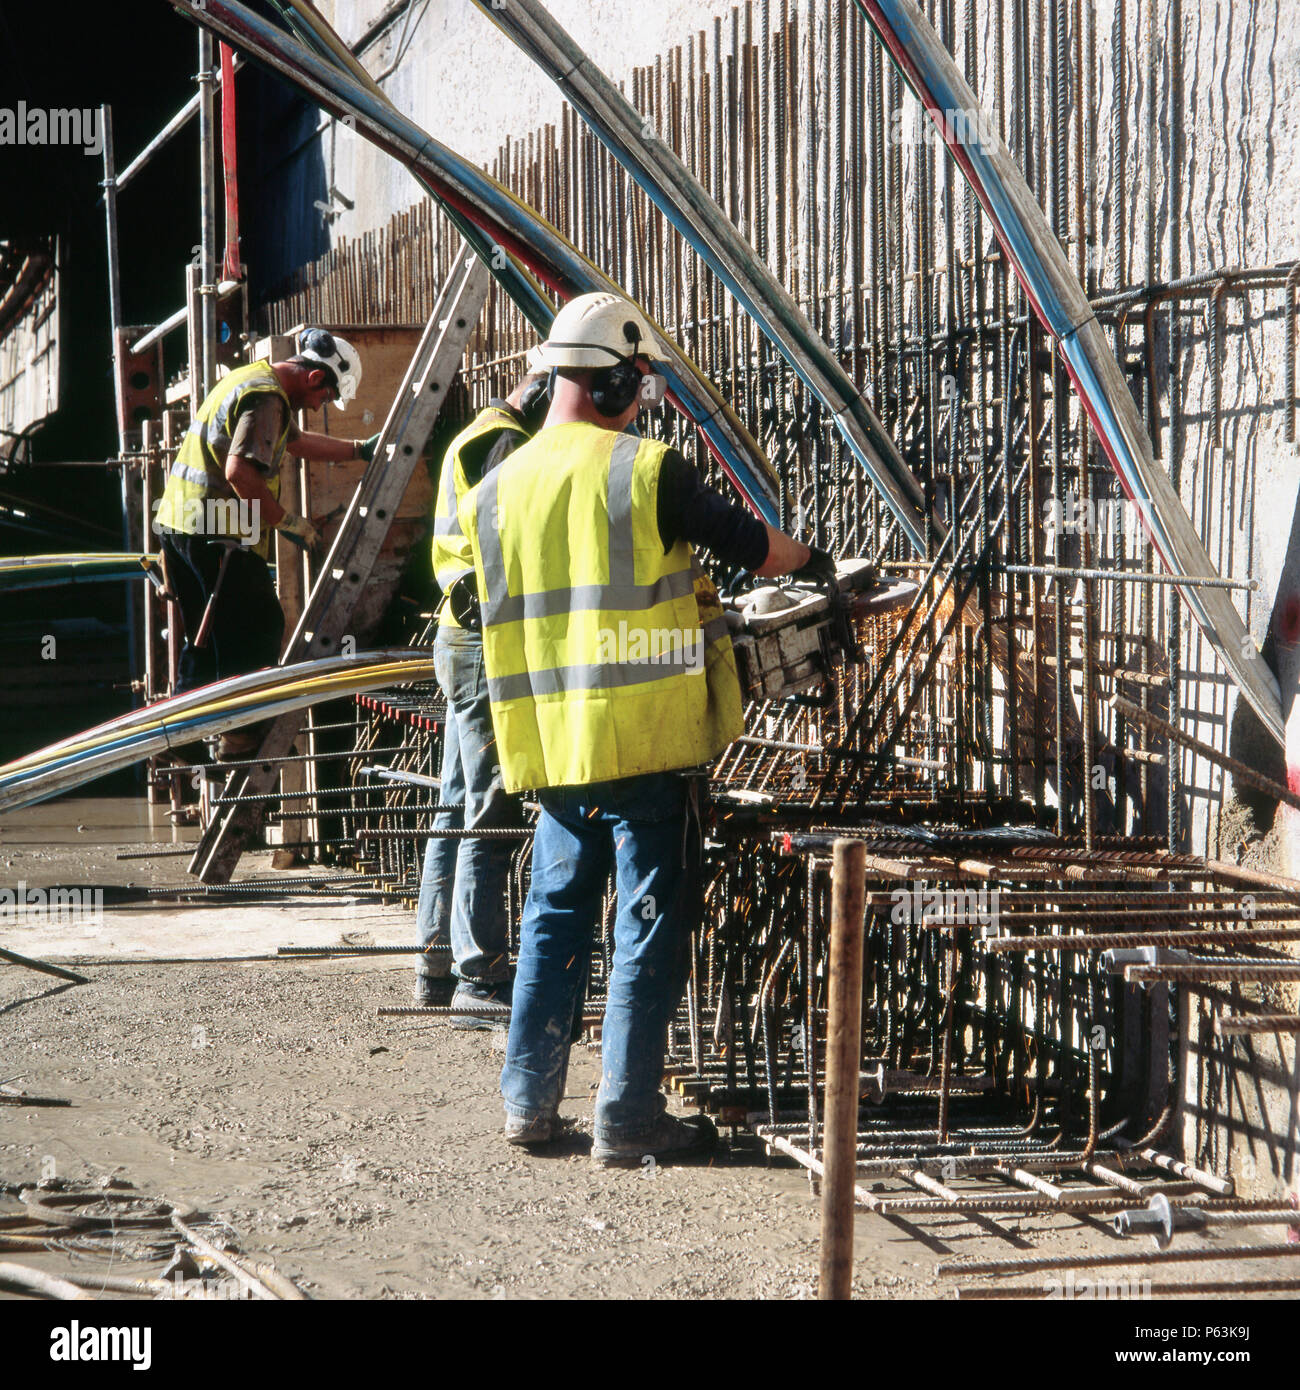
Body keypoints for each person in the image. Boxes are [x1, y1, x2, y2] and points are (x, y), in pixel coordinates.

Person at [460, 293, 832, 1165]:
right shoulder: (644, 469)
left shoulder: (493, 491)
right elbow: (754, 548)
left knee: (553, 919)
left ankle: (529, 1104)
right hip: (643, 743)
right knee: (648, 923)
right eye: (639, 386)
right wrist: (821, 566)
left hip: (550, 750)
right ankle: (627, 1119)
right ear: (617, 378)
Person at [154, 329, 377, 758]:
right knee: (257, 628)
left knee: (207, 635)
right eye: (325, 398)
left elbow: (294, 443)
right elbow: (240, 472)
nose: (319, 406)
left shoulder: (253, 380)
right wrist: (289, 523)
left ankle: (179, 734)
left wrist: (358, 450)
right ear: (314, 379)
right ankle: (240, 738)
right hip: (217, 530)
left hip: (182, 523)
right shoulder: (268, 399)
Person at [413, 359, 551, 1018]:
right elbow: (510, 548)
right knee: (489, 812)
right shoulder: (506, 443)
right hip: (481, 640)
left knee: (457, 804)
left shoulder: (483, 429)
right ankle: (481, 977)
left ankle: (436, 963)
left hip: (461, 635)